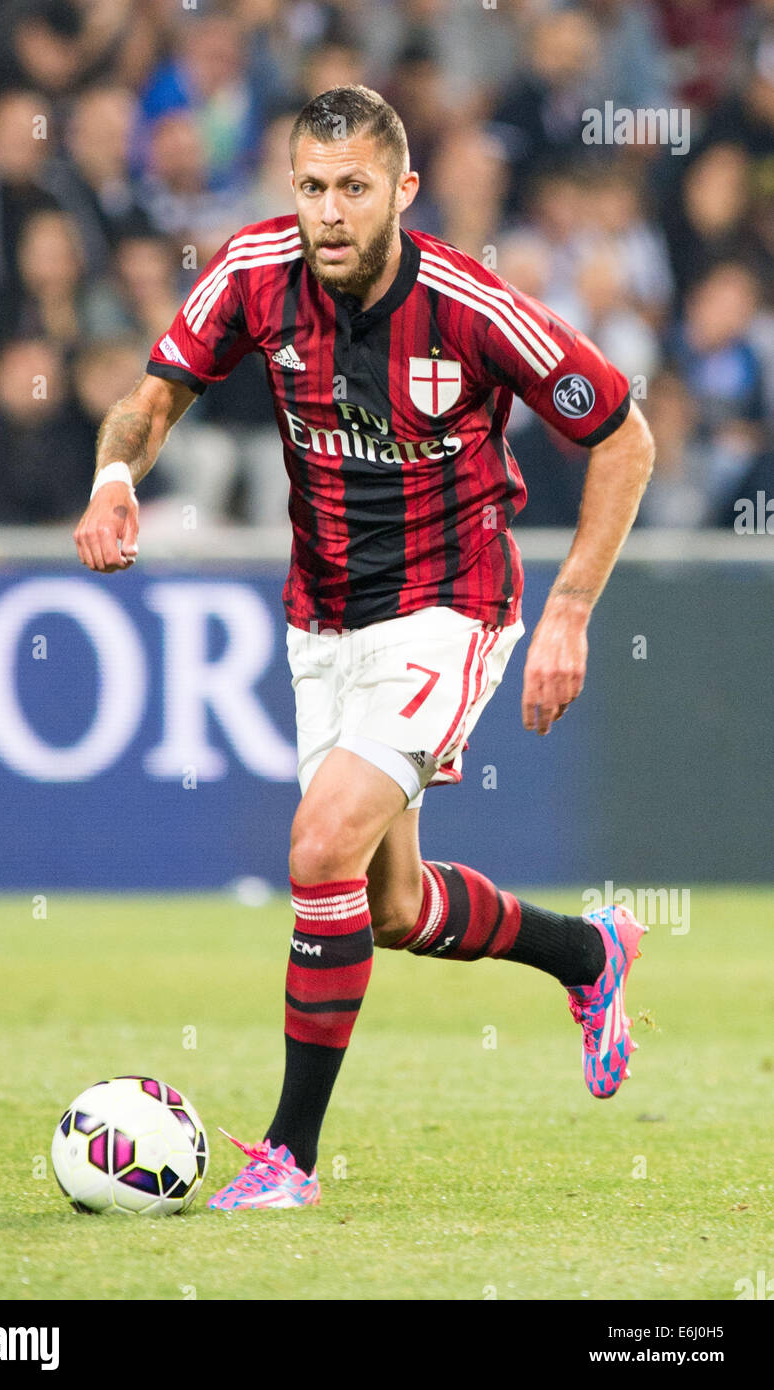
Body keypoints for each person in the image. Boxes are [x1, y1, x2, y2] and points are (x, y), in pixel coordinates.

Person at [73, 86, 655, 1211]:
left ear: (402, 191)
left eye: (352, 188)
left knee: (315, 844)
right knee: (385, 907)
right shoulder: (251, 271)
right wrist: (111, 481)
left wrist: (572, 610)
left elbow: (622, 434)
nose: (328, 213)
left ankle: (288, 1159)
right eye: (309, 187)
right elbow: (152, 399)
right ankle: (588, 956)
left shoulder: (472, 305)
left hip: (450, 603)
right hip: (323, 615)